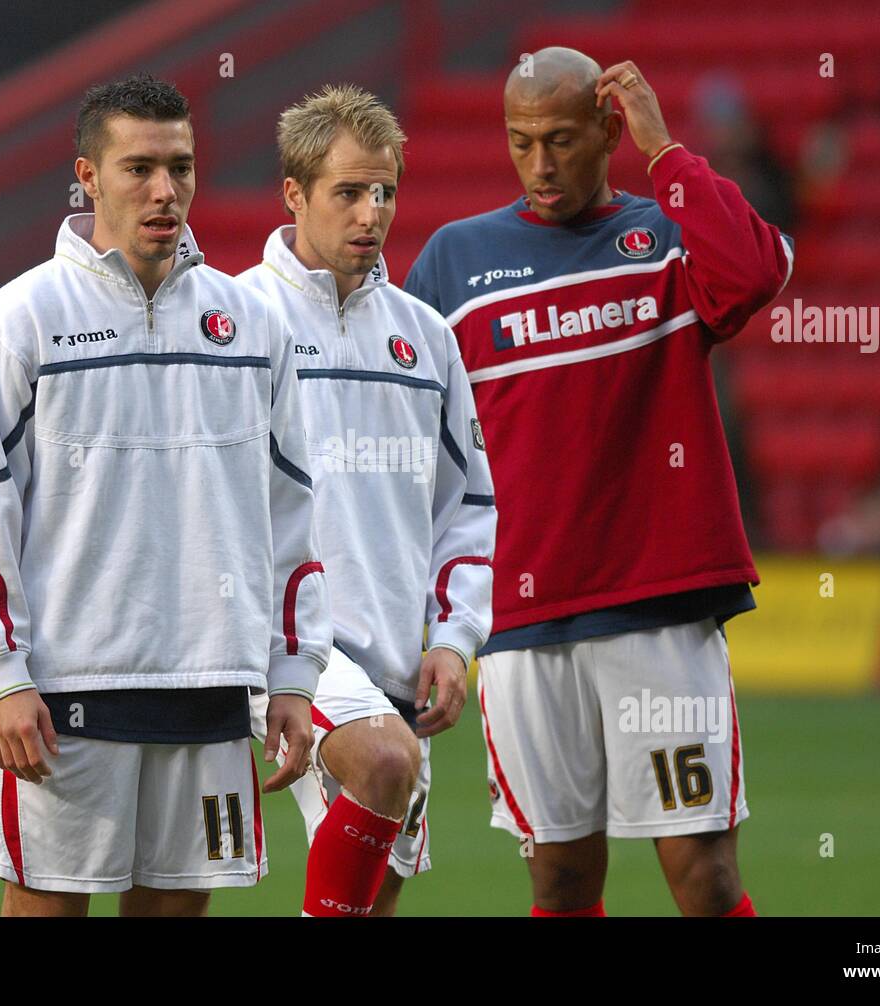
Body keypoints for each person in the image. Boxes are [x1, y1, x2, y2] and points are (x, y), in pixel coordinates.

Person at [404, 48, 794, 917]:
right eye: (521, 143)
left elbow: (758, 273)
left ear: (610, 130)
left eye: (563, 140)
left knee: (704, 875)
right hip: (519, 621)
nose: (541, 165)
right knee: (562, 879)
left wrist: (668, 154)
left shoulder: (665, 241)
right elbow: (407, 431)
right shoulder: (452, 263)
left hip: (658, 607)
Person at [0, 73, 329, 917]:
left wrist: (293, 675)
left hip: (211, 686)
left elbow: (293, 513)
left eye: (182, 167)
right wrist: (1, 675)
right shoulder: (23, 318)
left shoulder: (252, 325)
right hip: (67, 693)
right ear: (86, 176)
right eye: (139, 168)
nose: (166, 190)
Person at [241, 84, 496, 917]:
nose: (371, 212)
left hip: (393, 657)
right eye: (347, 191)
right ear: (294, 193)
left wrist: (455, 639)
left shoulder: (426, 336)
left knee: (373, 903)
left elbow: (467, 504)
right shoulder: (238, 317)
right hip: (283, 645)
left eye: (384, 191)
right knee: (385, 763)